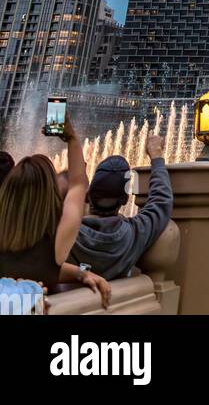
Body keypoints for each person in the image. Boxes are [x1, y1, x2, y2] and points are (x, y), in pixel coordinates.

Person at [0, 117, 110, 307]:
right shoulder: (57, 239)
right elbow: (78, 185)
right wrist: (72, 139)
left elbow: (28, 267)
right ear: (50, 195)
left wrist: (80, 273)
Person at [71, 135, 172, 280]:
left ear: (87, 197)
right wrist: (156, 156)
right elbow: (161, 201)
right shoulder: (134, 234)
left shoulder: (68, 235)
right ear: (125, 200)